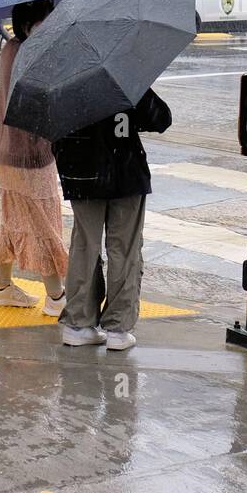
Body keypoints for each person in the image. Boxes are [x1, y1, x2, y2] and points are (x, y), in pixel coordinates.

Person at [52, 90, 172, 348]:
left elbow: (52, 130)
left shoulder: (64, 81)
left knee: (85, 245)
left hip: (81, 172)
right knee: (124, 248)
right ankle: (117, 329)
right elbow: (161, 119)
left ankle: (78, 323)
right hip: (124, 172)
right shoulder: (122, 78)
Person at [0, 0, 67, 315]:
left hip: (6, 151)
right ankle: (57, 298)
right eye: (47, 18)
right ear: (32, 22)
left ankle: (2, 287)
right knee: (44, 223)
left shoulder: (11, 48)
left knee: (13, 220)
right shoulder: (33, 53)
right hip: (31, 155)